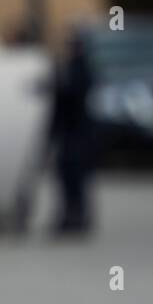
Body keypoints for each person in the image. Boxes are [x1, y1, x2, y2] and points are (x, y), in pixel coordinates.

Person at [49, 36, 99, 236]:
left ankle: (77, 216)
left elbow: (71, 95)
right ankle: (72, 215)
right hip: (70, 132)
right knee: (67, 176)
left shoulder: (80, 70)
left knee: (74, 177)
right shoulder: (71, 69)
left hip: (77, 132)